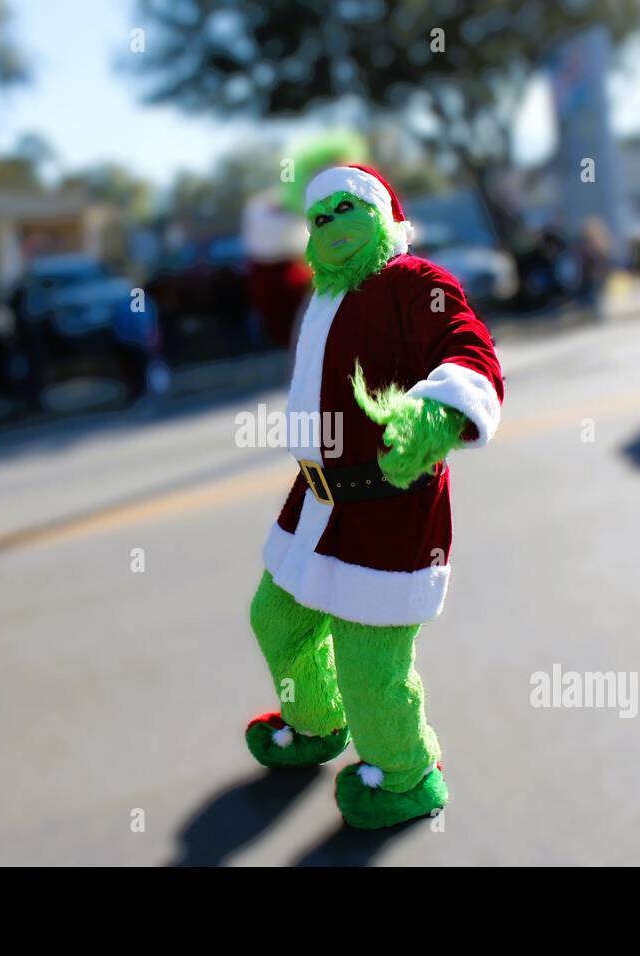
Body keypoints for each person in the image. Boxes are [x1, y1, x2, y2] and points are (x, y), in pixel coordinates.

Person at [242, 165, 505, 829]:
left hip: (389, 504)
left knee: (369, 664)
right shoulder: (327, 293)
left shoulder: (415, 282)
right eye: (318, 217)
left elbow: (471, 350)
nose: (329, 225)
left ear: (386, 215)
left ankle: (406, 775)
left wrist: (435, 415)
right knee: (277, 619)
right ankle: (316, 721)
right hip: (314, 504)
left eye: (343, 209)